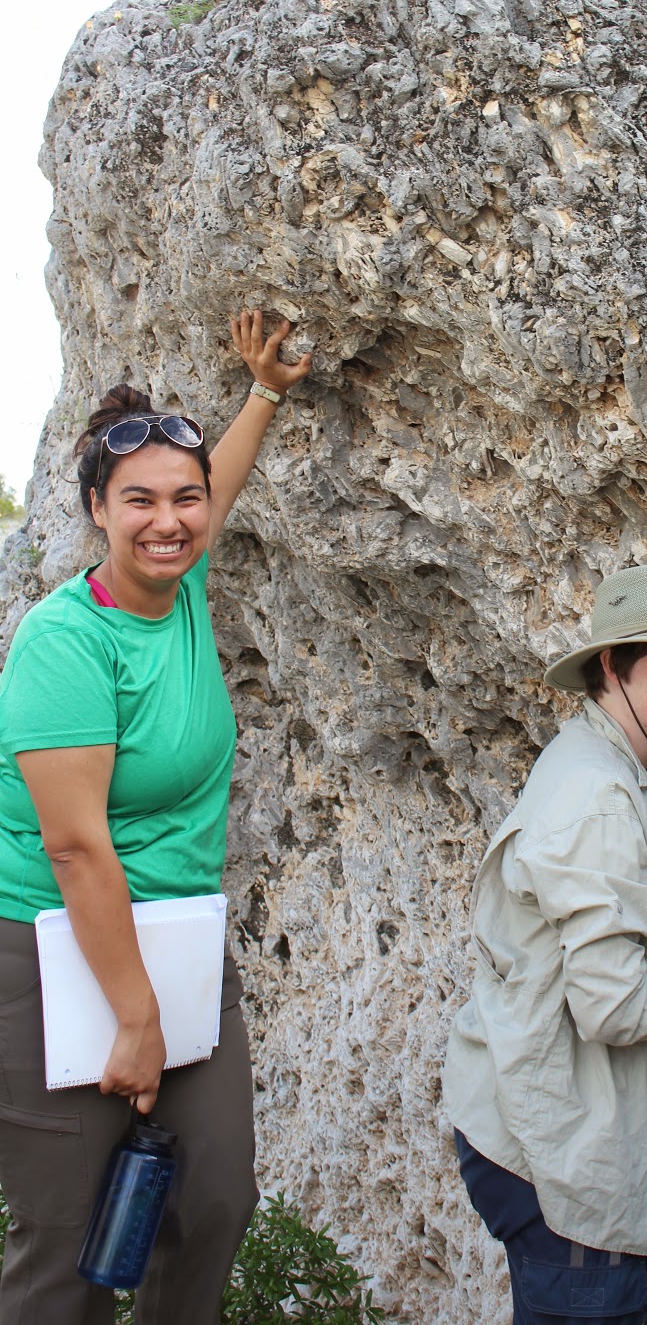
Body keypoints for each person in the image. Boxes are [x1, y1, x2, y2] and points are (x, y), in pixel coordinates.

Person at [0, 309, 311, 1325]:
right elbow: (77, 843)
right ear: (98, 508)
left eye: (183, 501)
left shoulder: (180, 589)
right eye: (138, 500)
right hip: (52, 952)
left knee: (215, 1198)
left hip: (177, 944)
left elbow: (214, 488)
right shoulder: (64, 643)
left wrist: (263, 389)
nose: (167, 520)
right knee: (75, 1241)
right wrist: (134, 1017)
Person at [443, 563, 647, 1325]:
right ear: (612, 668)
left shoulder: (602, 762)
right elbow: (615, 1008)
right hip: (562, 1148)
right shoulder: (597, 802)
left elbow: (632, 859)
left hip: (526, 1114)